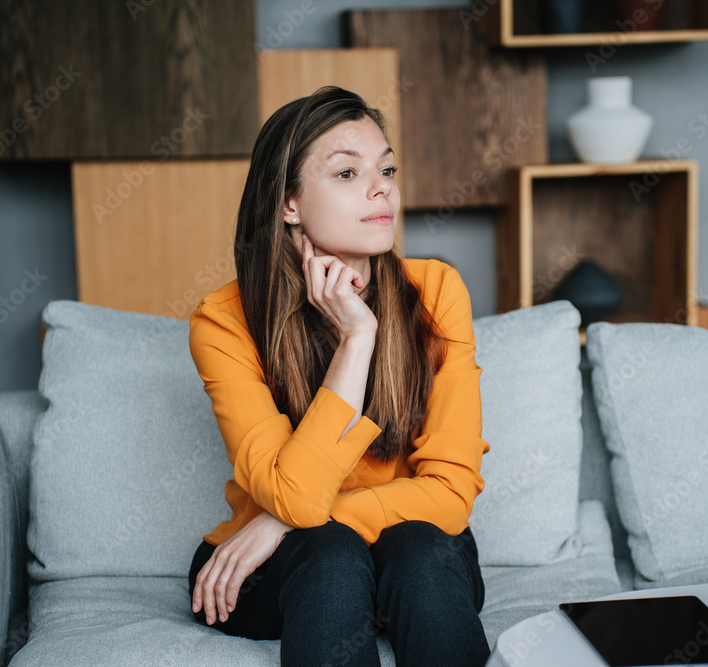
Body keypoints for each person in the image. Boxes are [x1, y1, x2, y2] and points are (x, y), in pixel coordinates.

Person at [185, 85, 492, 666]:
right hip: (286, 569)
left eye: (387, 168)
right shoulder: (224, 321)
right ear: (288, 203)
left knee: (423, 545)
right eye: (347, 173)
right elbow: (298, 499)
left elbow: (451, 495)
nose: (382, 188)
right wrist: (358, 338)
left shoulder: (436, 291)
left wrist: (274, 523)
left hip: (404, 552)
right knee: (327, 551)